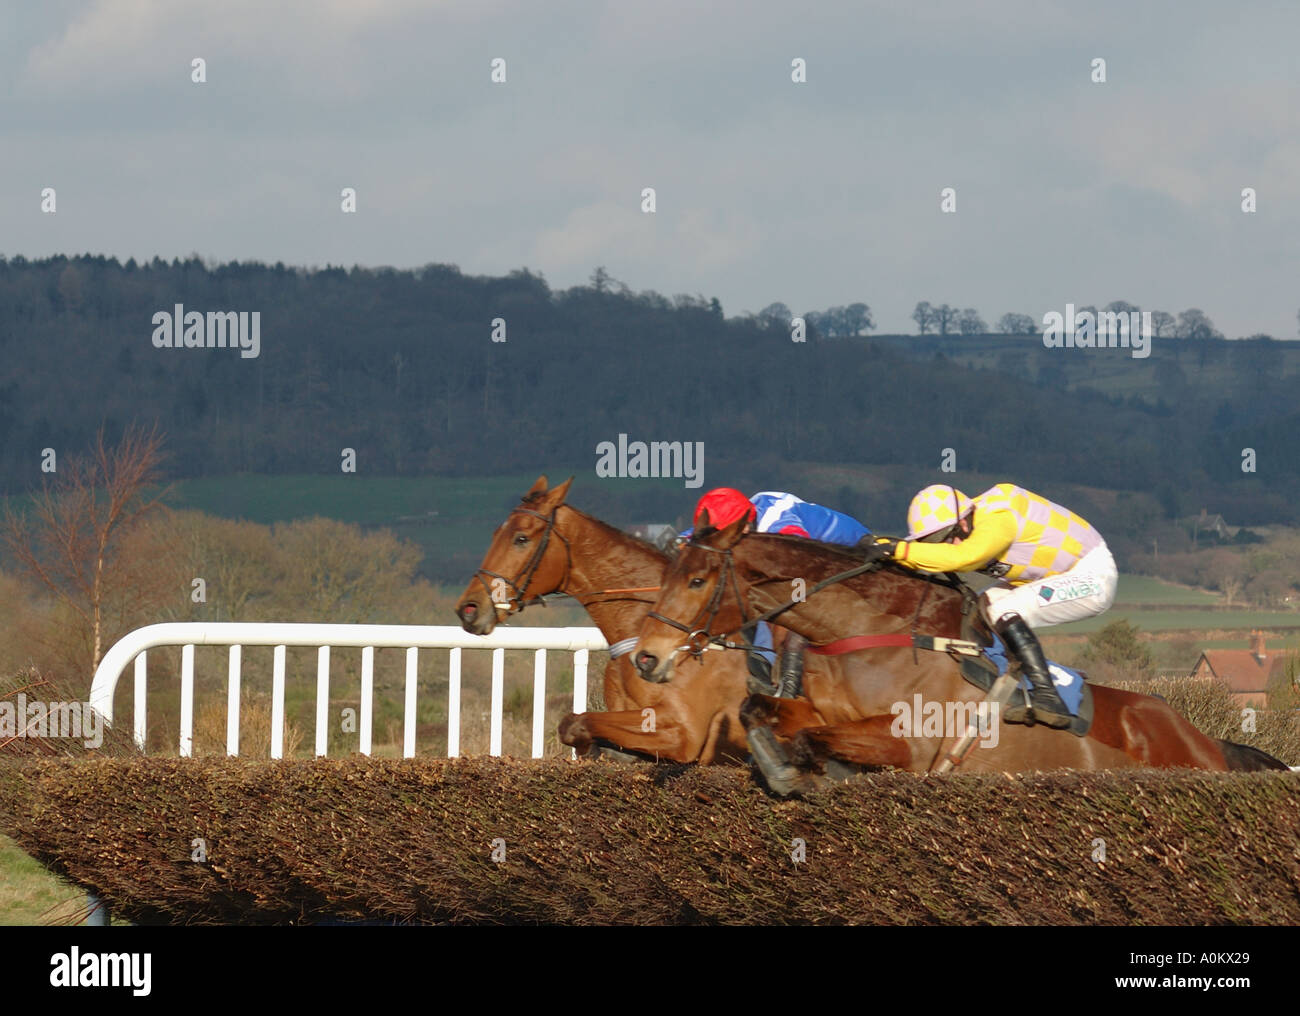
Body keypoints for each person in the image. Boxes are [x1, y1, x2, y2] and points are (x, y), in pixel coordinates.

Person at [872, 483, 1117, 728]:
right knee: (977, 612)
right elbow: (920, 556)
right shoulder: (968, 523)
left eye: (945, 538)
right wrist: (879, 547)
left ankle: (1049, 697)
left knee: (1003, 611)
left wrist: (900, 550)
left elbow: (965, 557)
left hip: (1093, 577)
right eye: (934, 543)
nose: (945, 546)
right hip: (1052, 577)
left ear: (964, 522)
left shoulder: (998, 515)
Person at [685, 488, 873, 696]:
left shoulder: (781, 522)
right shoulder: (737, 517)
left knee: (789, 609)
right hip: (818, 560)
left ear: (744, 528)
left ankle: (788, 692)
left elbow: (796, 571)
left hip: (855, 560)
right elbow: (694, 543)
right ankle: (761, 670)